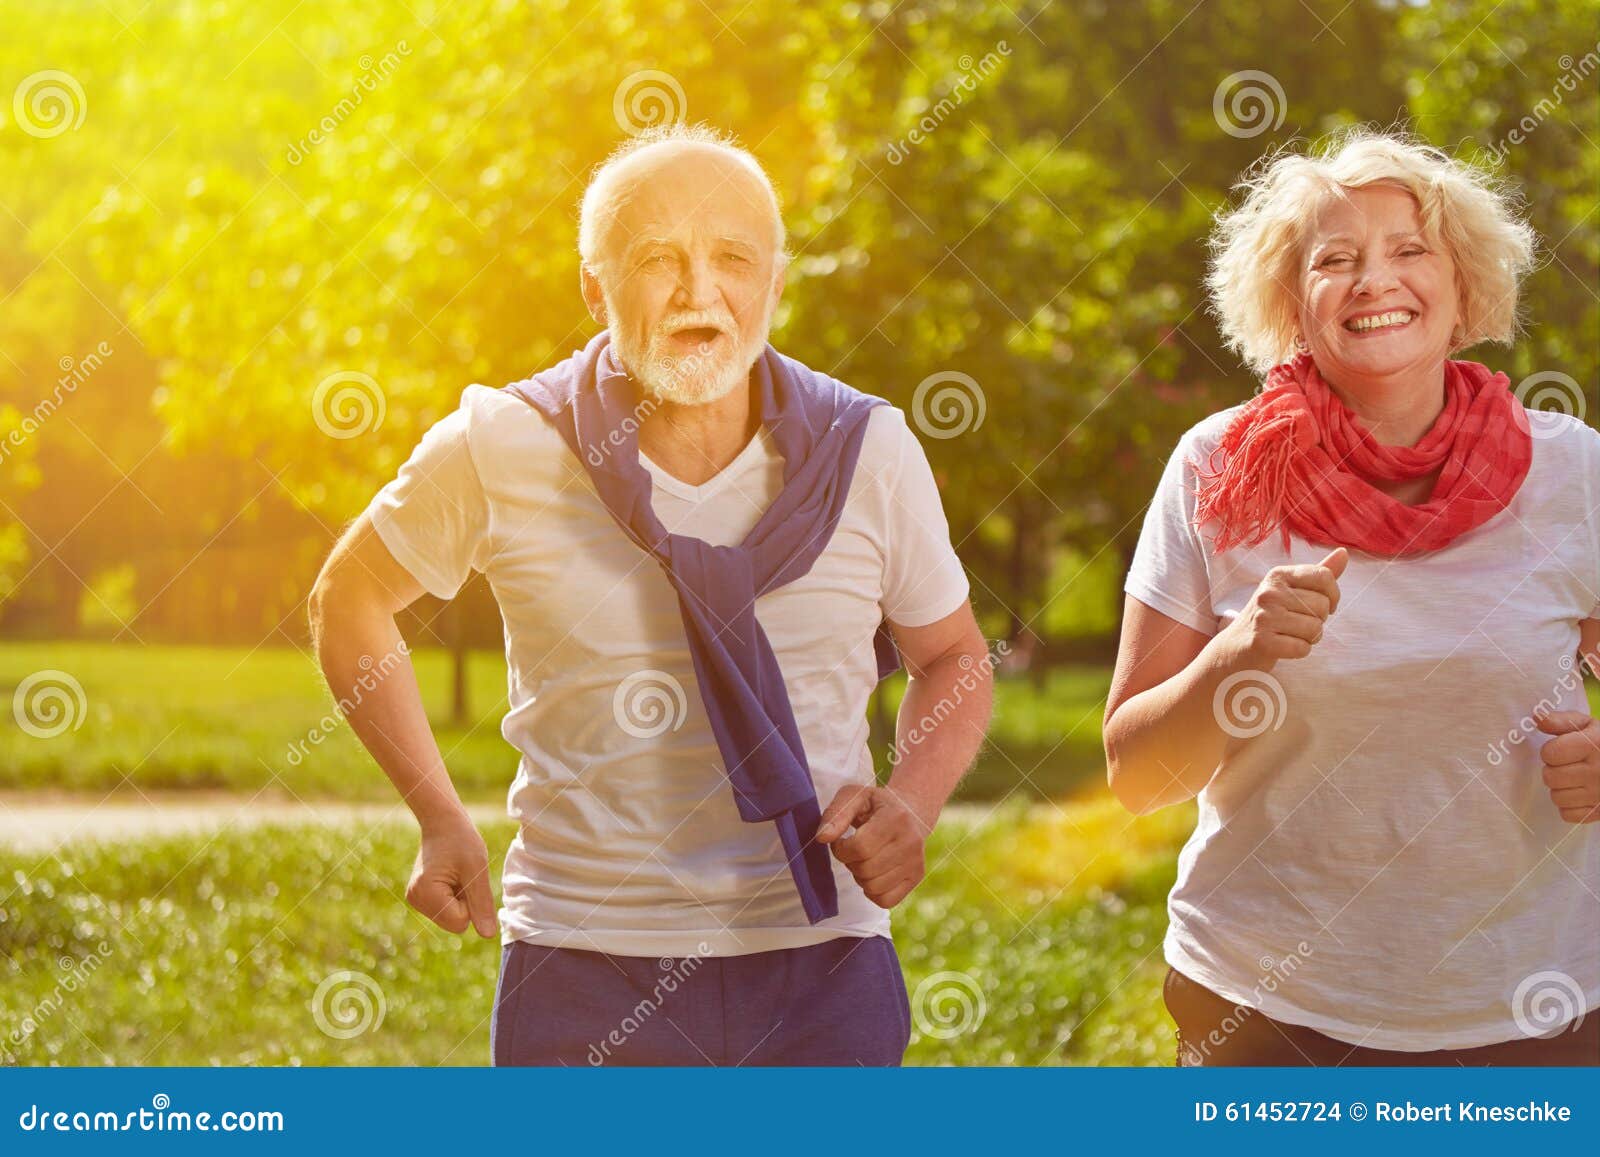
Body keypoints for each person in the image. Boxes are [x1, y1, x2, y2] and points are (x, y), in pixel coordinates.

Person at [308, 123, 991, 1066]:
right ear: (595, 288)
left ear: (775, 285)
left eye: (733, 259)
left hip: (822, 963)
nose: (698, 292)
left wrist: (913, 802)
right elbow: (348, 598)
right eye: (658, 260)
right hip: (583, 966)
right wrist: (439, 814)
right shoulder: (504, 441)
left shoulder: (867, 450)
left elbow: (953, 654)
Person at [1104, 128, 1599, 1065]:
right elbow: (1135, 776)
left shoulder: (1573, 471)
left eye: (1410, 251)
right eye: (1337, 260)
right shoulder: (1221, 466)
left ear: (1465, 289)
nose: (1376, 280)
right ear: (1295, 305)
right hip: (1268, 1010)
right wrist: (1234, 656)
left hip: (1535, 1009)